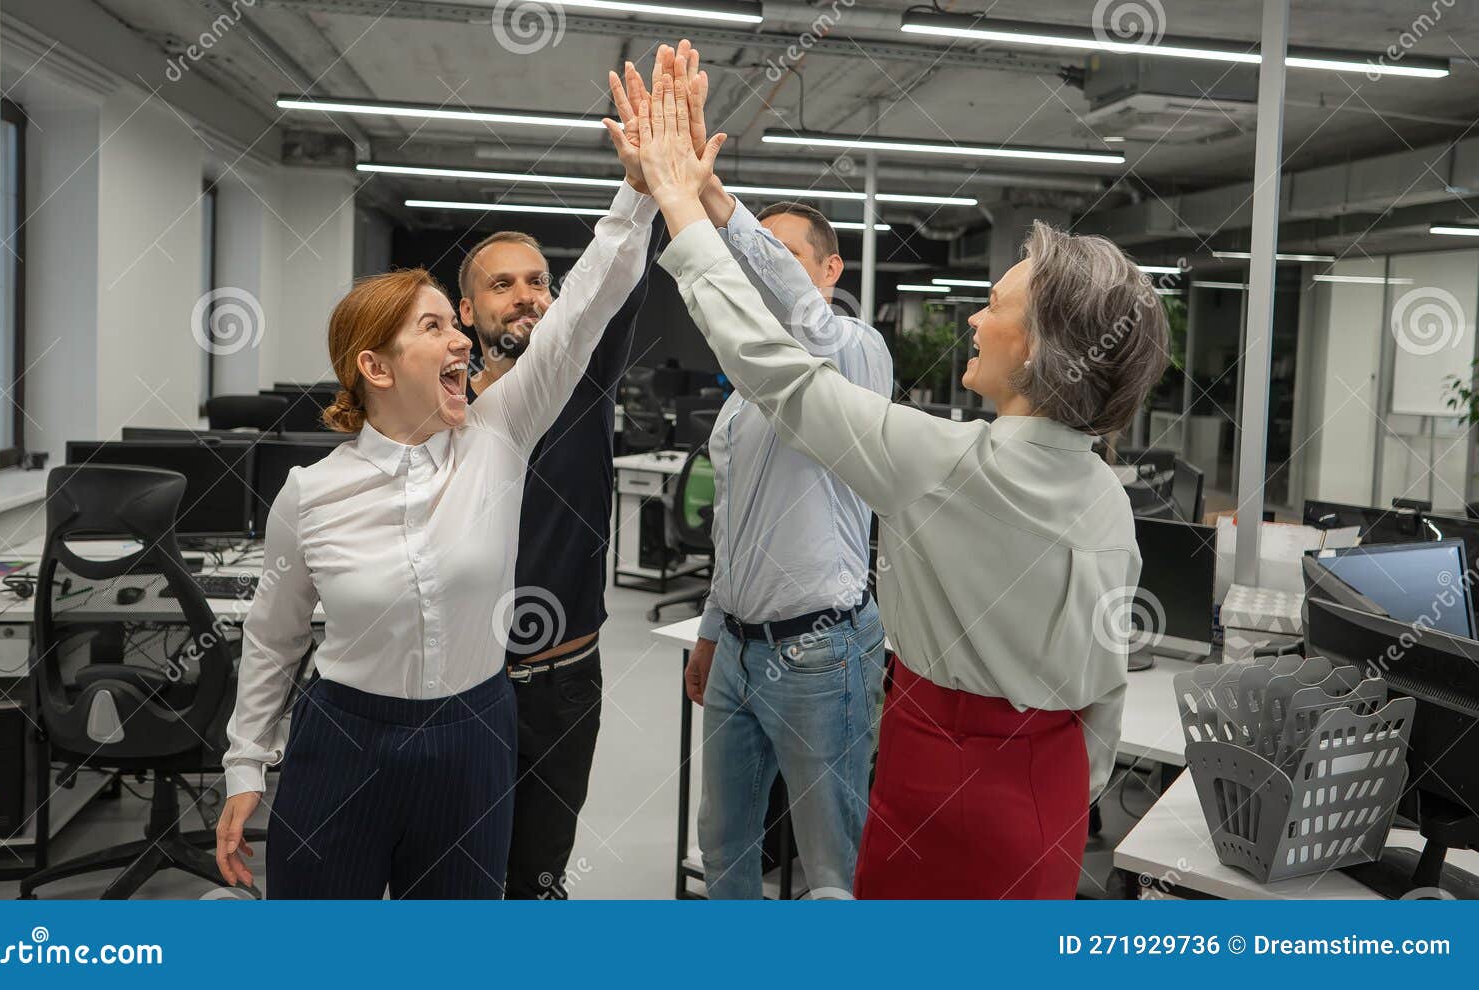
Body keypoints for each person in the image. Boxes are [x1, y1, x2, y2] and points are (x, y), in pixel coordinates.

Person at [633, 50, 1169, 899]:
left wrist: (680, 205)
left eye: (993, 304)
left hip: (933, 779)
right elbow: (1105, 698)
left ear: (1031, 349)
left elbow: (776, 369)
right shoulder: (1107, 493)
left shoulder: (942, 463)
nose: (974, 317)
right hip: (1045, 794)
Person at [212, 116, 663, 899]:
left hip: (472, 737)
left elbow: (585, 306)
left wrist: (639, 189)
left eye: (456, 326)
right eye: (435, 327)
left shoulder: (500, 435)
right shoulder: (311, 494)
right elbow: (274, 637)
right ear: (375, 366)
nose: (461, 343)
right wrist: (246, 762)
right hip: (342, 742)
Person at [610, 42, 891, 900]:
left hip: (823, 651)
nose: (759, 267)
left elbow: (800, 318)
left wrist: (710, 202)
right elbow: (736, 524)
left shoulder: (854, 352)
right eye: (752, 253)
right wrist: (708, 630)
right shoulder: (742, 399)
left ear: (831, 271)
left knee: (831, 863)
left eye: (783, 254)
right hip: (737, 646)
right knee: (723, 849)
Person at [456, 56, 665, 899]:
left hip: (565, 682)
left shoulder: (583, 378)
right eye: (501, 285)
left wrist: (643, 187)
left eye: (539, 281)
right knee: (462, 880)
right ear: (465, 311)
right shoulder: (441, 418)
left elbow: (607, 284)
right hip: (462, 684)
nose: (527, 297)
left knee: (538, 880)